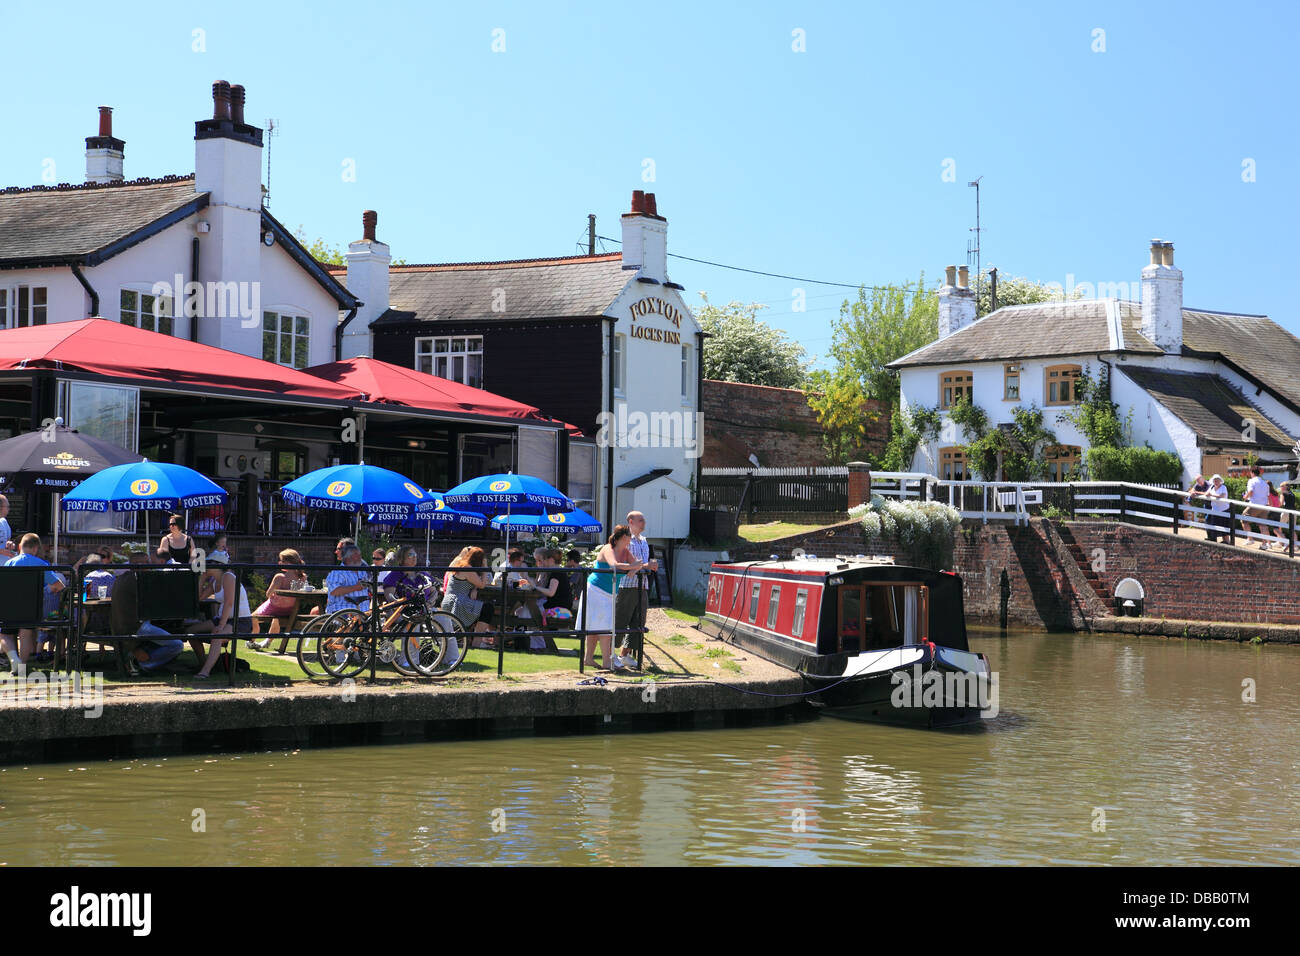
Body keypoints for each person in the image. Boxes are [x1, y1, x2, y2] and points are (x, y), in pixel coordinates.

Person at [577, 525, 645, 671]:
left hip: (609, 594)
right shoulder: (607, 548)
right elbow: (614, 564)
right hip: (595, 591)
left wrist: (634, 568)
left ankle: (589, 659)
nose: (629, 542)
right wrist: (631, 567)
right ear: (621, 538)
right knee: (603, 627)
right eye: (628, 539)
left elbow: (637, 564)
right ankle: (607, 662)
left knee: (599, 626)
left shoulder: (626, 552)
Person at [0, 534, 66, 673]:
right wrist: (48, 589)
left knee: (4, 635)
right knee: (26, 635)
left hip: (9, 606)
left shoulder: (10, 563)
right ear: (36, 548)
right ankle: (21, 667)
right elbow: (58, 586)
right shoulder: (41, 564)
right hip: (31, 607)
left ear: (19, 547)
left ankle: (13, 659)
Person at [191, 551, 254, 679]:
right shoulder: (215, 581)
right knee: (191, 632)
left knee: (217, 636)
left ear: (217, 565)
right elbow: (199, 598)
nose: (205, 566)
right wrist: (202, 578)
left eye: (208, 563)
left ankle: (205, 671)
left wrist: (221, 625)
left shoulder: (228, 577)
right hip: (222, 618)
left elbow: (229, 603)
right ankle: (205, 664)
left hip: (239, 620)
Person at [615, 510, 658, 666]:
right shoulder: (625, 540)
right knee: (621, 618)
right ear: (631, 521)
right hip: (627, 585)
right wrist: (647, 565)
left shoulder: (644, 540)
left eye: (644, 519)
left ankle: (625, 654)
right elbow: (628, 564)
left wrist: (648, 566)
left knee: (639, 621)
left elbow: (641, 563)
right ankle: (610, 654)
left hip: (642, 585)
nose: (644, 522)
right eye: (641, 520)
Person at [440, 546, 497, 647]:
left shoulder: (462, 565)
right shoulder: (467, 568)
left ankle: (471, 639)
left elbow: (476, 582)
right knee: (487, 609)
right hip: (457, 603)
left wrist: (474, 588)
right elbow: (482, 584)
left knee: (483, 608)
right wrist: (485, 567)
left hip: (453, 600)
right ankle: (476, 643)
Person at [250, 549, 308, 646]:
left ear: (288, 563)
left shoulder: (280, 577)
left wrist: (273, 595)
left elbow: (268, 594)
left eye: (282, 561)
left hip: (274, 608)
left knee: (252, 617)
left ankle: (252, 640)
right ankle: (268, 641)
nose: (279, 563)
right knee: (276, 619)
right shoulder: (303, 577)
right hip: (290, 609)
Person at [531, 548, 571, 652]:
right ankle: (536, 643)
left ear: (551, 560)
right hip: (560, 607)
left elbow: (551, 592)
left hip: (559, 610)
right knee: (531, 610)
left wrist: (535, 587)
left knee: (533, 612)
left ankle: (538, 645)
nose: (543, 562)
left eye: (544, 559)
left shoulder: (556, 573)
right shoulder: (556, 571)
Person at [326, 543, 372, 615]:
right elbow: (334, 591)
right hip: (343, 611)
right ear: (347, 558)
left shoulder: (362, 571)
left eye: (360, 555)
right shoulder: (337, 572)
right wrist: (355, 587)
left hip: (364, 611)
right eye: (356, 555)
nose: (360, 558)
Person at [1243, 465, 1272, 549]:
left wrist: (1245, 496)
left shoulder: (1251, 481)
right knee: (1263, 525)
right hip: (1264, 506)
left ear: (1252, 472)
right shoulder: (1265, 483)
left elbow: (1251, 492)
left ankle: (1250, 538)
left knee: (1243, 519)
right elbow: (1267, 496)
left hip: (1254, 505)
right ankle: (1264, 544)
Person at [1206, 474, 1230, 543]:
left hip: (1224, 510)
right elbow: (1207, 493)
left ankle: (1227, 542)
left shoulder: (1223, 487)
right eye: (1214, 480)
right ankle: (1214, 541)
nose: (1216, 482)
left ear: (1220, 481)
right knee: (1214, 527)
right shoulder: (1212, 487)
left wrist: (1211, 495)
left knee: (1224, 527)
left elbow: (1221, 495)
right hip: (1215, 510)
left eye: (1217, 480)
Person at [0, 494, 14, 560]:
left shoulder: (4, 522)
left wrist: (10, 544)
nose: (9, 509)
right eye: (7, 506)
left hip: (5, 566)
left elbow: (8, 540)